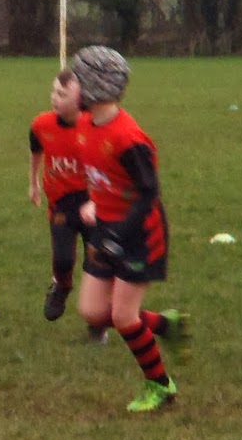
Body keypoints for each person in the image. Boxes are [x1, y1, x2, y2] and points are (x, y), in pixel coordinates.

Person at [68, 45, 188, 413]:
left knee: (122, 316)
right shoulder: (86, 124)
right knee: (92, 312)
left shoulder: (128, 139)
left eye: (75, 79)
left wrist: (120, 231)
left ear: (92, 87)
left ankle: (160, 385)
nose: (69, 84)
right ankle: (165, 325)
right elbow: (104, 179)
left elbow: (149, 191)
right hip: (108, 227)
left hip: (140, 232)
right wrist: (94, 205)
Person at [29, 68, 97, 328]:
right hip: (60, 203)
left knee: (96, 259)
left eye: (62, 94)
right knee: (63, 259)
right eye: (53, 92)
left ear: (80, 99)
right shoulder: (41, 124)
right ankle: (62, 285)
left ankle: (97, 319)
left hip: (92, 203)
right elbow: (36, 149)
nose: (54, 98)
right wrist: (33, 182)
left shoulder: (92, 125)